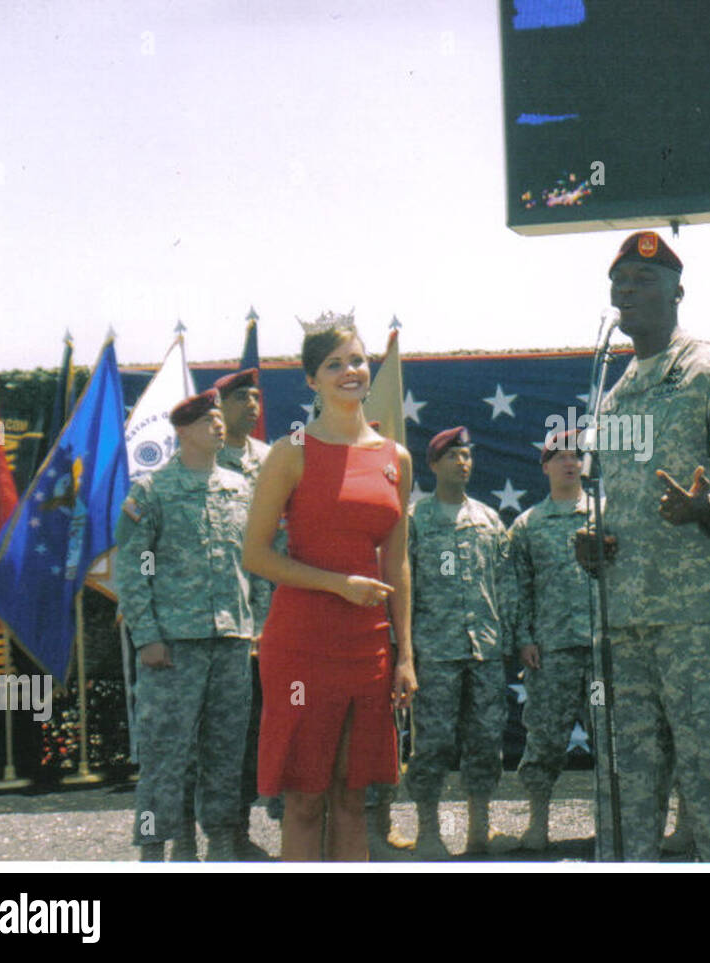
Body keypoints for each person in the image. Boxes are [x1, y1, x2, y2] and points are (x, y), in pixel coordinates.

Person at [580, 231, 710, 862]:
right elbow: (627, 500)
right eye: (620, 282)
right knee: (626, 788)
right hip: (631, 621)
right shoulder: (616, 397)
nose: (627, 292)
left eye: (644, 282)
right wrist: (601, 541)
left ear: (678, 292)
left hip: (709, 623)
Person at [243, 314, 417, 862]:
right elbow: (255, 554)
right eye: (334, 364)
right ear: (311, 380)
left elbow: (398, 560)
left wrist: (405, 653)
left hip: (368, 646)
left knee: (352, 797)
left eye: (358, 360)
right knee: (304, 800)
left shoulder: (396, 458)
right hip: (301, 646)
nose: (350, 371)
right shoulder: (290, 451)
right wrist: (337, 584)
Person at [114, 389, 262, 862]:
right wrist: (147, 636)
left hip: (231, 643)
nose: (219, 426)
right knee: (164, 755)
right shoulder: (153, 491)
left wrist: (258, 622)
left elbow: (257, 563)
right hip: (174, 646)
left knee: (224, 752)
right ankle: (156, 851)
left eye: (220, 419)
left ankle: (220, 843)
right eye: (207, 421)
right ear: (182, 432)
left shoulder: (241, 489)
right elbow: (136, 568)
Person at [169, 368, 275, 862]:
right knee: (198, 734)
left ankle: (237, 828)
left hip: (262, 617)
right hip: (203, 623)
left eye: (256, 397)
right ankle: (190, 835)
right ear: (219, 409)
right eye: (241, 398)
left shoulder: (273, 460)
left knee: (246, 731)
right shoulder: (195, 465)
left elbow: (276, 542)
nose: (252, 406)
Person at [405, 426, 517, 859]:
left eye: (467, 455)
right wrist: (405, 650)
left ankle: (478, 827)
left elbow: (505, 584)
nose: (463, 462)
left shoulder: (489, 519)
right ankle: (429, 828)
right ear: (432, 465)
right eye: (453, 456)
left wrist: (513, 636)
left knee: (486, 740)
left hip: (484, 650)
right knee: (432, 742)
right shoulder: (416, 521)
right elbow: (406, 586)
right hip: (435, 651)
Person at [509, 428, 595, 851]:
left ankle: (618, 825)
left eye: (576, 455)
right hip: (552, 651)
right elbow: (520, 588)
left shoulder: (605, 515)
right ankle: (538, 824)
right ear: (544, 466)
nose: (569, 462)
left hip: (603, 652)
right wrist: (524, 638)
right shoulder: (528, 525)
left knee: (616, 742)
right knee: (543, 740)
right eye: (559, 456)